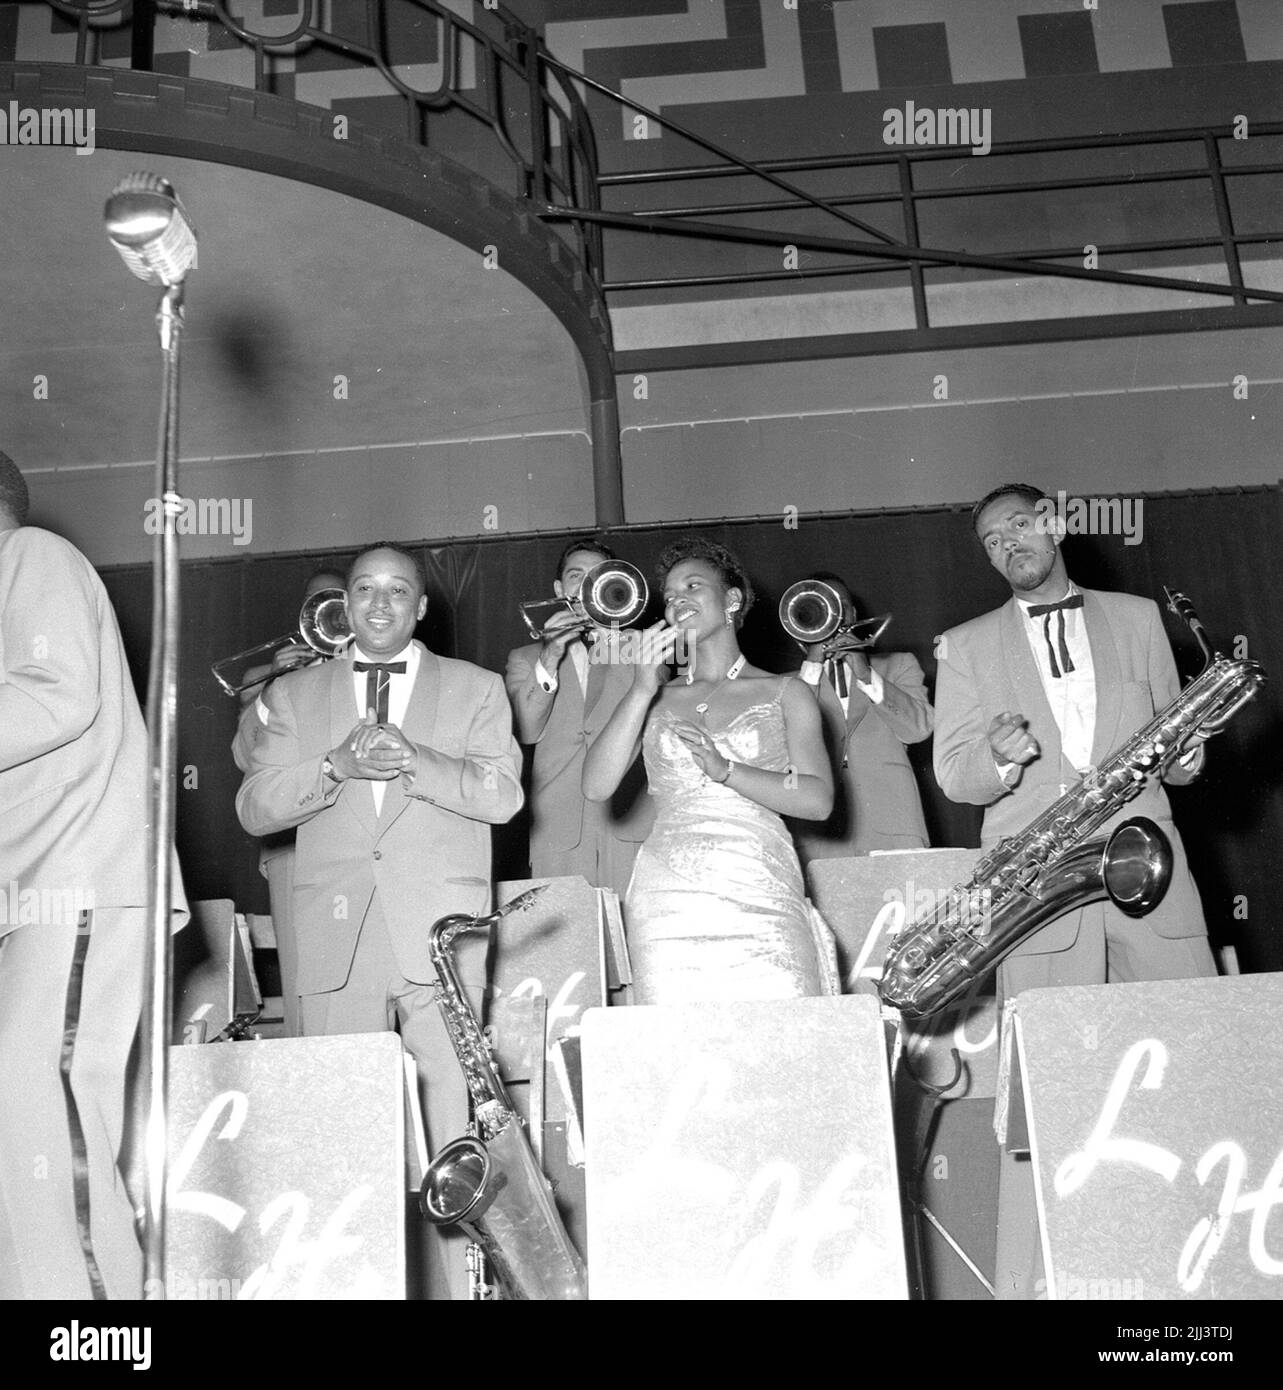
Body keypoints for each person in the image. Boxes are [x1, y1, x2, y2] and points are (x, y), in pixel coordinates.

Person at [933, 481, 1215, 1299]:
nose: (1006, 545)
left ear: (1054, 525)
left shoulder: (1135, 619)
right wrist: (1001, 757)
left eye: (1018, 525)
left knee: (1190, 1065)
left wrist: (1188, 761)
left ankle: (1203, 1261)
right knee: (1059, 1089)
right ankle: (1060, 1280)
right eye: (989, 540)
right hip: (1040, 887)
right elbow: (956, 776)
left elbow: (1175, 742)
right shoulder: (963, 646)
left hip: (1148, 869)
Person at [235, 542, 523, 1297]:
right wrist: (334, 767)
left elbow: (502, 797)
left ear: (422, 607)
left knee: (447, 1141)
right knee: (339, 1133)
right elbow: (253, 804)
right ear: (347, 605)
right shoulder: (296, 695)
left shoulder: (479, 688)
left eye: (399, 591)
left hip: (438, 942)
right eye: (366, 589)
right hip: (336, 938)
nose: (382, 604)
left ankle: (455, 1289)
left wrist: (414, 760)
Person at [0, 450, 189, 1299]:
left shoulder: (30, 555)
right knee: (28, 1122)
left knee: (52, 1111)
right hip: (40, 890)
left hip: (76, 881)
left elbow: (59, 693)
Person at [584, 537, 838, 1005]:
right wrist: (641, 687)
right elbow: (597, 786)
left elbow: (818, 799)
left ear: (733, 601)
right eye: (670, 595)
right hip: (668, 900)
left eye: (693, 586)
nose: (678, 600)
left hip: (760, 885)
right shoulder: (655, 697)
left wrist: (727, 771)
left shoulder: (785, 691)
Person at [505, 538, 653, 899]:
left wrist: (613, 639)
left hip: (632, 817)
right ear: (559, 589)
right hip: (558, 825)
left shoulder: (644, 645)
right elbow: (524, 730)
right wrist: (551, 654)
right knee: (568, 946)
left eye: (596, 577)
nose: (586, 587)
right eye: (576, 577)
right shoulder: (525, 657)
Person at [232, 567, 346, 1036]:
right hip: (291, 845)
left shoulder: (372, 667)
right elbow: (244, 755)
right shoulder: (266, 677)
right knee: (301, 978)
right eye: (316, 603)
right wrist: (274, 685)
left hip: (359, 838)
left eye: (336, 602)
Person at [788, 573, 933, 861]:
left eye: (838, 606)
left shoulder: (899, 664)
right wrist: (813, 665)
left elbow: (918, 729)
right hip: (821, 833)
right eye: (814, 612)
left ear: (853, 614)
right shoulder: (784, 686)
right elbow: (784, 744)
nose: (829, 618)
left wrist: (866, 674)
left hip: (895, 825)